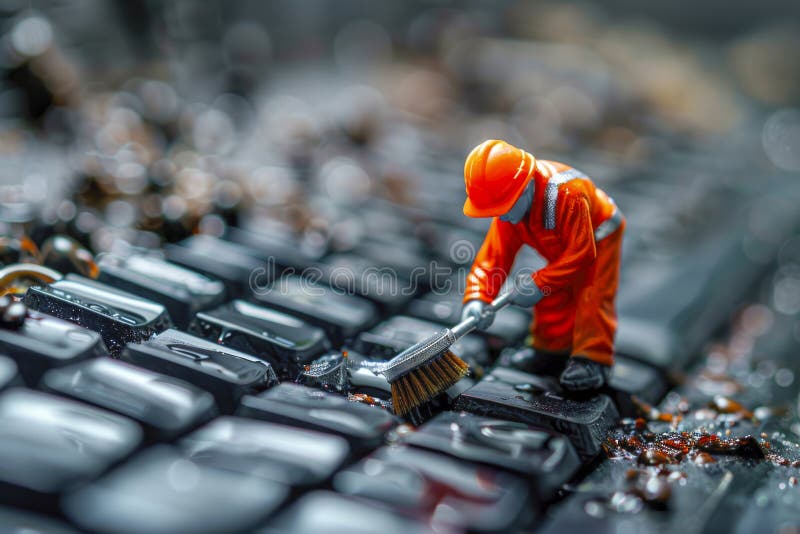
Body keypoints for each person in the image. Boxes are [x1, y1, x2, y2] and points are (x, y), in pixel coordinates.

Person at [461, 139, 625, 391]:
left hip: (598, 236)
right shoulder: (512, 210)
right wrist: (478, 297)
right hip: (561, 241)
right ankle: (549, 352)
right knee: (553, 294)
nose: (500, 216)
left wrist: (540, 283)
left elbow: (581, 254)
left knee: (592, 292)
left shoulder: (568, 195)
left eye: (503, 207)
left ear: (525, 187)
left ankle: (593, 360)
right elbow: (494, 256)